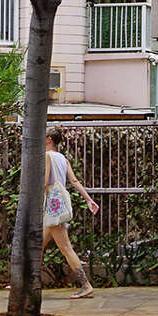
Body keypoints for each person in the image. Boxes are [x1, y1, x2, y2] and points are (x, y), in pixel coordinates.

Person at [42, 125, 100, 298]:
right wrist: (88, 199)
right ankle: (23, 283)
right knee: (37, 246)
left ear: (49, 140)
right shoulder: (63, 158)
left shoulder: (47, 156)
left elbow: (44, 182)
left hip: (52, 206)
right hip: (58, 205)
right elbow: (74, 181)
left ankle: (86, 285)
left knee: (66, 247)